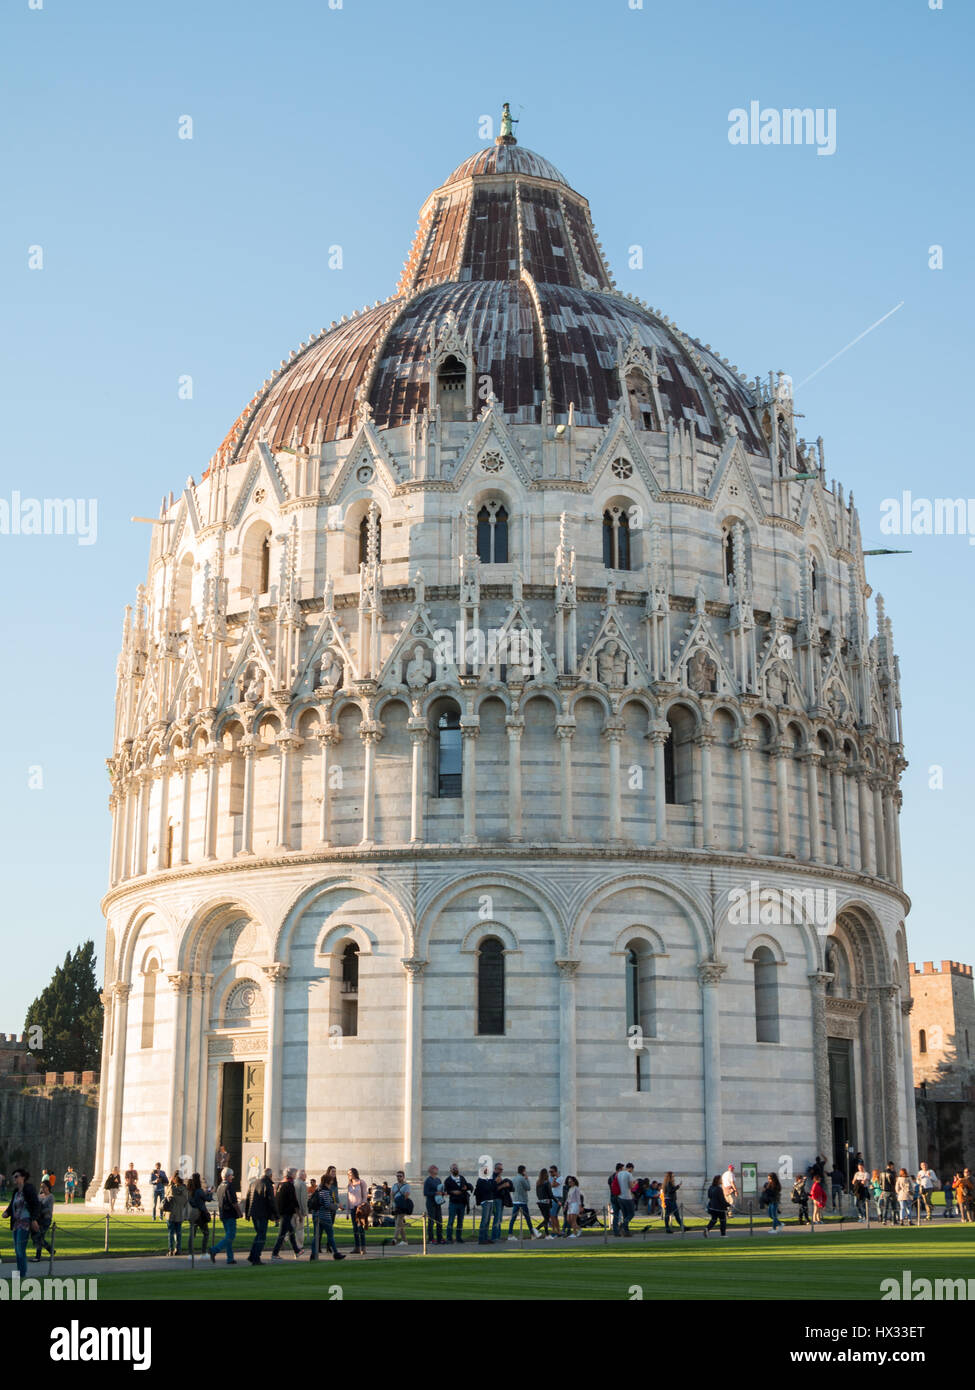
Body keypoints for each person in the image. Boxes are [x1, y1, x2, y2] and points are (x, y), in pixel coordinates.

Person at [3, 1169, 41, 1277]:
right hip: (16, 1223)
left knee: (20, 1249)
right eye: (13, 1176)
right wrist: (7, 1212)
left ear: (23, 1177)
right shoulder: (16, 1191)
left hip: (25, 1223)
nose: (14, 1178)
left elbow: (36, 1205)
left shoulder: (28, 1189)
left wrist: (33, 1219)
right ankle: (19, 1273)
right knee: (17, 1250)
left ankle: (22, 1274)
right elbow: (12, 1205)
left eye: (16, 1176)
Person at [244, 1166, 277, 1265]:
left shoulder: (254, 1183)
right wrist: (276, 1215)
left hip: (254, 1213)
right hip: (262, 1214)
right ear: (270, 1175)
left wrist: (247, 1213)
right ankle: (256, 1258)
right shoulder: (268, 1184)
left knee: (259, 1235)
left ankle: (252, 1255)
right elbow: (271, 1201)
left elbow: (248, 1198)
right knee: (261, 1236)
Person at [209, 1167, 240, 1264]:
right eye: (231, 1176)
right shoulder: (229, 1187)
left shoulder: (219, 1187)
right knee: (231, 1235)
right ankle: (215, 1250)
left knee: (228, 1236)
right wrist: (239, 1212)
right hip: (230, 1214)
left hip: (223, 1213)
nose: (232, 1178)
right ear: (228, 1176)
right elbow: (234, 1202)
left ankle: (230, 1258)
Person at [310, 1176, 345, 1260]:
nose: (331, 1183)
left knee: (316, 1236)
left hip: (317, 1215)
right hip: (325, 1216)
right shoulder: (325, 1191)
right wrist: (337, 1206)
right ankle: (336, 1253)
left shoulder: (319, 1189)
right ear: (327, 1182)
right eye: (330, 1181)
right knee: (330, 1236)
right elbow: (327, 1205)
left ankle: (313, 1254)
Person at [271, 1168, 302, 1261]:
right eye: (294, 1173)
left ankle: (296, 1250)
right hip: (287, 1212)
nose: (295, 1175)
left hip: (281, 1212)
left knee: (291, 1232)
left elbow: (276, 1199)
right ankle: (274, 1253)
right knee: (282, 1234)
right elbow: (294, 1201)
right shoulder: (289, 1185)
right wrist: (299, 1214)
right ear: (291, 1175)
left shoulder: (280, 1184)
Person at [443, 1163, 471, 1244]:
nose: (456, 1170)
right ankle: (449, 1238)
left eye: (456, 1168)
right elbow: (446, 1191)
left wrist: (466, 1187)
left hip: (462, 1203)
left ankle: (459, 1238)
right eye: (454, 1168)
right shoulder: (448, 1180)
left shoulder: (462, 1178)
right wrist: (453, 1192)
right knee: (451, 1221)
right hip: (453, 1203)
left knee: (460, 1221)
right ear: (450, 1170)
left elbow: (467, 1186)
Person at [164, 1172, 188, 1255]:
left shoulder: (171, 1188)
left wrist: (170, 1183)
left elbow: (166, 1196)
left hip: (171, 1213)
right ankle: (178, 1249)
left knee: (171, 1233)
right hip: (180, 1213)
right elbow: (185, 1201)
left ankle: (170, 1250)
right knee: (178, 1233)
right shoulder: (184, 1190)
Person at [186, 1173, 210, 1255]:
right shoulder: (199, 1190)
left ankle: (190, 1253)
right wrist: (210, 1192)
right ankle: (203, 1252)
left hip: (192, 1214)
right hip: (200, 1214)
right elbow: (207, 1199)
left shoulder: (189, 1191)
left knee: (192, 1235)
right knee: (206, 1233)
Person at [348, 1167, 370, 1254]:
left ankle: (363, 1248)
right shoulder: (349, 1184)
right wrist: (347, 1211)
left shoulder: (361, 1182)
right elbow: (348, 1198)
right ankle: (357, 1247)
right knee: (355, 1229)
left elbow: (365, 1196)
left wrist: (362, 1205)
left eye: (351, 1173)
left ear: (355, 1173)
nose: (349, 1175)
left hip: (360, 1209)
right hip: (352, 1209)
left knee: (361, 1228)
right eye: (348, 1174)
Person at [508, 1165, 533, 1240]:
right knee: (528, 1218)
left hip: (515, 1201)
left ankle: (510, 1234)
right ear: (523, 1171)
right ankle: (532, 1233)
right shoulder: (522, 1179)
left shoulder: (514, 1179)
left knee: (513, 1219)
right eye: (525, 1171)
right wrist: (527, 1179)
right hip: (522, 1201)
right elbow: (528, 1188)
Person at [33, 1179, 55, 1261]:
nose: (42, 1189)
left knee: (39, 1237)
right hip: (38, 1219)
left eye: (44, 1187)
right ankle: (50, 1251)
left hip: (46, 1219)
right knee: (39, 1237)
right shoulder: (39, 1196)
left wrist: (40, 1210)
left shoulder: (51, 1197)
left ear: (48, 1187)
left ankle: (38, 1256)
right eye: (41, 1187)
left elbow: (49, 1209)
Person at [474, 1167, 496, 1245]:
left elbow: (494, 1188)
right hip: (485, 1201)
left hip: (490, 1200)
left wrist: (493, 1183)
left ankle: (486, 1237)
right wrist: (493, 1184)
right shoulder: (481, 1180)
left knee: (488, 1221)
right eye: (485, 1170)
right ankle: (481, 1238)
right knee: (484, 1220)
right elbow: (487, 1189)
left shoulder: (489, 1179)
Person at [492, 1163, 513, 1243]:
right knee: (497, 1218)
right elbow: (493, 1189)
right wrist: (503, 1185)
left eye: (502, 1169)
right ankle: (495, 1237)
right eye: (500, 1169)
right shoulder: (493, 1177)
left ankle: (498, 1236)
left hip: (501, 1199)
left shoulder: (499, 1177)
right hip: (496, 1199)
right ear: (496, 1169)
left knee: (499, 1219)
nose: (501, 1171)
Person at [391, 1171, 412, 1246]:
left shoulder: (407, 1186)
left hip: (402, 1206)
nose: (398, 1177)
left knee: (398, 1223)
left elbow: (406, 1196)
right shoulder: (394, 1185)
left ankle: (395, 1239)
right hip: (395, 1206)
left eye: (400, 1176)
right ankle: (405, 1241)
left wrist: (400, 1202)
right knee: (400, 1224)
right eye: (397, 1176)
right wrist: (393, 1205)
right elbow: (392, 1195)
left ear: (403, 1177)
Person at [535, 1168, 555, 1239]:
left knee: (545, 1218)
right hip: (546, 1202)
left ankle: (547, 1235)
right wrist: (556, 1201)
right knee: (547, 1219)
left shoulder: (538, 1182)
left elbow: (537, 1193)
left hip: (540, 1202)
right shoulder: (547, 1182)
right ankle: (536, 1229)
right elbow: (550, 1194)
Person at [293, 1169, 309, 1251]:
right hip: (299, 1210)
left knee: (292, 1227)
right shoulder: (302, 1184)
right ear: (302, 1176)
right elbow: (303, 1199)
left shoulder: (293, 1182)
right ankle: (299, 1245)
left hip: (292, 1210)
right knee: (300, 1229)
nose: (306, 1176)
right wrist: (305, 1211)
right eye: (305, 1175)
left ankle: (284, 1239)